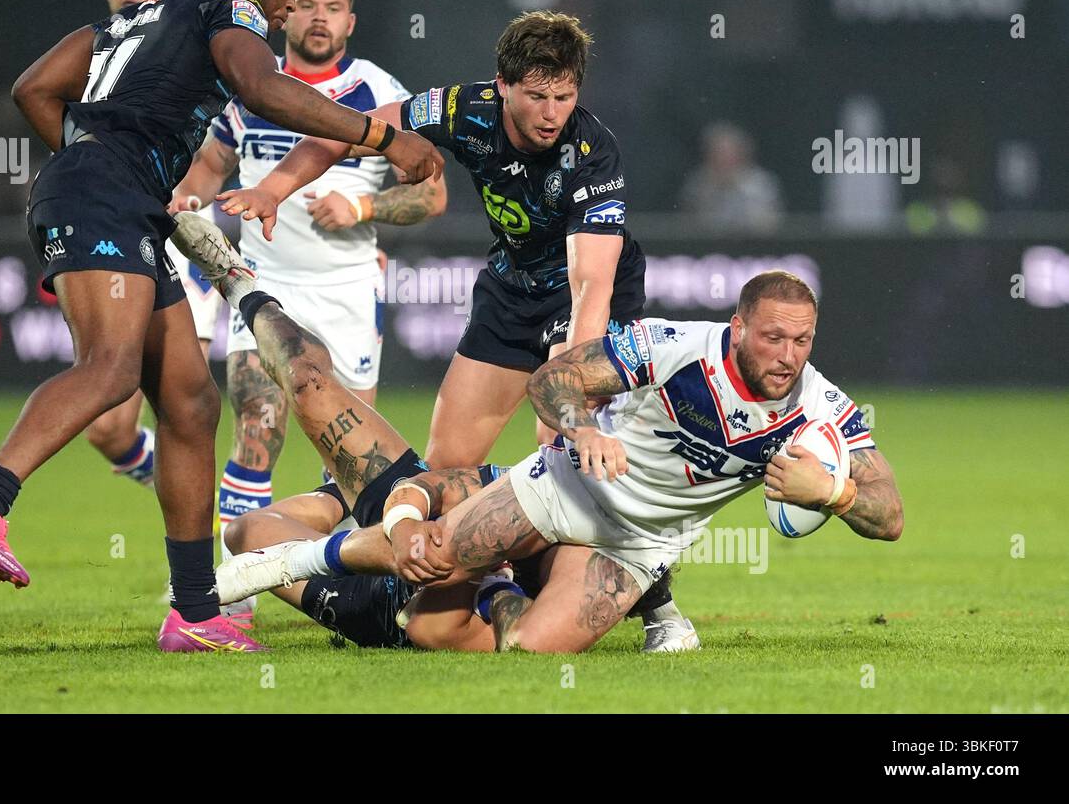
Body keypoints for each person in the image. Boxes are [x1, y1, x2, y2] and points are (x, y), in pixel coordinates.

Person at [0, 0, 443, 655]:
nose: (292, 0)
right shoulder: (226, 2)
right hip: (105, 196)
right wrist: (383, 136)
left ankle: (195, 613)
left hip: (115, 195)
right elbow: (260, 89)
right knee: (109, 372)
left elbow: (33, 87)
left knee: (191, 402)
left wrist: (91, 156)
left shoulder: (136, 17)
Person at [216, 265, 904, 654]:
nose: (787, 356)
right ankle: (282, 563)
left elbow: (891, 515)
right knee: (426, 557)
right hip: (561, 491)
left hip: (633, 548)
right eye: (774, 338)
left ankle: (520, 588)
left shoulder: (817, 408)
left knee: (523, 653)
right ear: (738, 329)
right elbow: (553, 380)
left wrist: (836, 495)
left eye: (802, 341)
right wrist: (583, 430)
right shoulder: (673, 347)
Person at [169, 212, 694, 653]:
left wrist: (481, 573)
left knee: (243, 534)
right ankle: (240, 285)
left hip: (376, 610)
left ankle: (342, 511)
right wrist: (407, 526)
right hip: (420, 517)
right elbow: (438, 488)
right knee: (307, 384)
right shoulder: (555, 515)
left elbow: (441, 629)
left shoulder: (550, 611)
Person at [217, 11, 645, 470]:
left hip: (583, 298)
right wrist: (272, 190)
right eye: (537, 96)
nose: (551, 113)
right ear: (502, 85)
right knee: (443, 470)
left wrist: (574, 404)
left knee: (561, 440)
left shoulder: (592, 153)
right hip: (511, 291)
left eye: (564, 97)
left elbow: (591, 285)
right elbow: (342, 133)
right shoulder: (463, 109)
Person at [170, 0, 445, 605]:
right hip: (266, 284)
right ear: (286, 13)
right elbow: (208, 168)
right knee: (257, 423)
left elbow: (430, 194)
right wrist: (184, 206)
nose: (318, 17)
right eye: (308, 4)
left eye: (333, 8)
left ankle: (364, 584)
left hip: (348, 290)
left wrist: (366, 208)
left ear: (350, 20)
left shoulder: (375, 92)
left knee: (349, 462)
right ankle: (229, 594)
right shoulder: (253, 87)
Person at [80, 0, 226, 492]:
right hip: (112, 230)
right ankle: (189, 506)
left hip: (173, 239)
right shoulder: (95, 51)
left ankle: (196, 560)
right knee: (109, 430)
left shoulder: (190, 48)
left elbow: (216, 147)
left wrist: (181, 191)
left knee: (180, 409)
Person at [679, 121, 783, 234]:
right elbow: (690, 222)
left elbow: (769, 223)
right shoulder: (698, 181)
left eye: (728, 152)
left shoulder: (761, 181)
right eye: (718, 152)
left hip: (753, 245)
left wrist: (739, 187)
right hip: (708, 246)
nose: (723, 158)